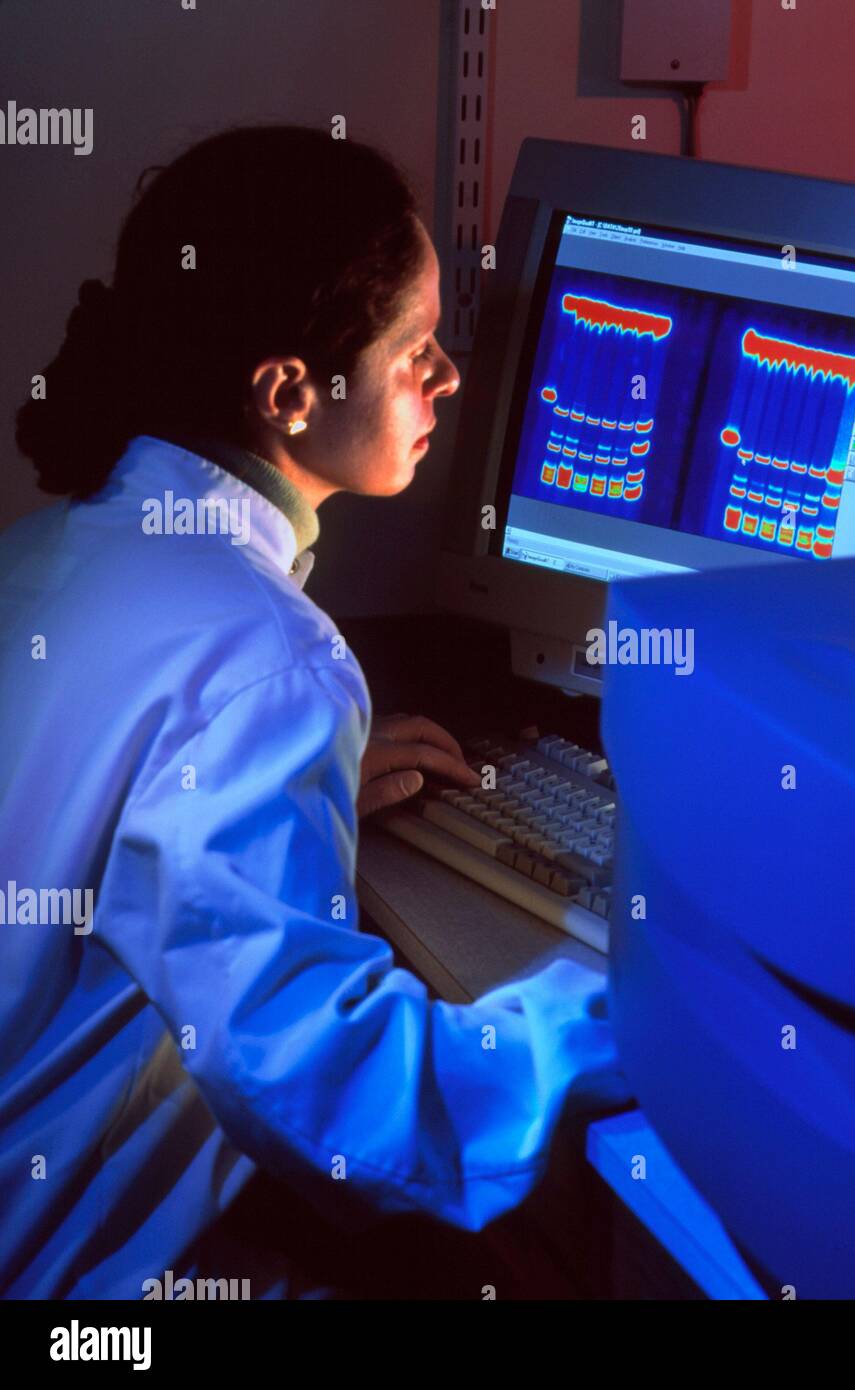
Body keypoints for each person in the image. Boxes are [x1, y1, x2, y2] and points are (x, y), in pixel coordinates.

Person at [0, 126, 629, 1299]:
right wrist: (635, 995)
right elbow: (343, 1107)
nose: (450, 376)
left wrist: (299, 771)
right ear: (289, 392)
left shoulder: (48, 556)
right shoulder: (269, 662)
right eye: (415, 349)